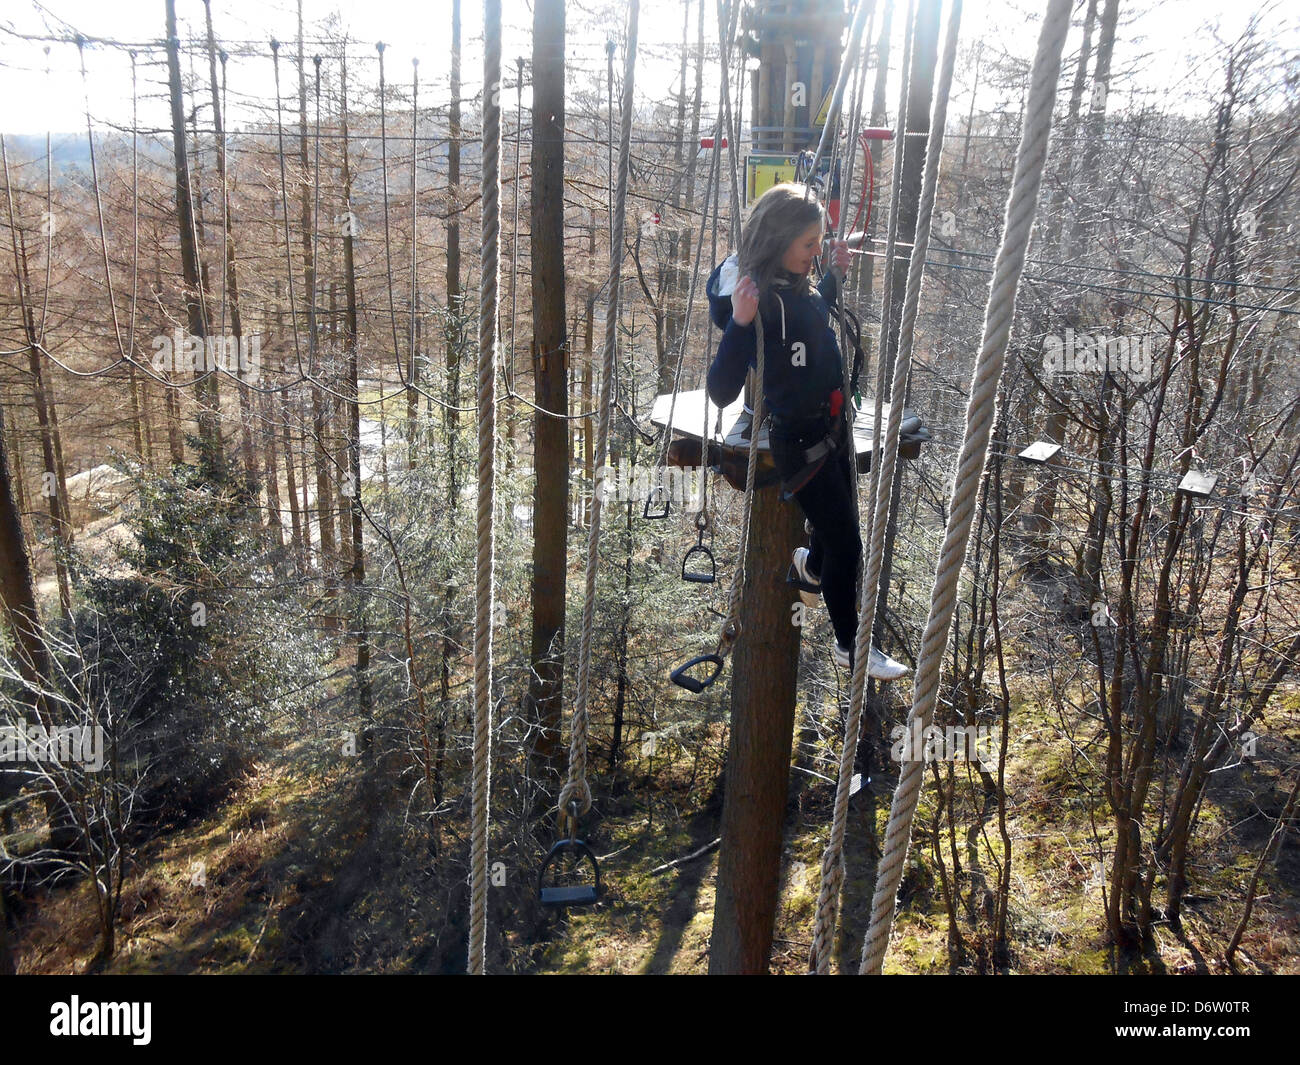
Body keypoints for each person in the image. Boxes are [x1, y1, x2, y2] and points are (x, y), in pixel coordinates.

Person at [705, 182, 909, 682]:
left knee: (834, 538)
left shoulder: (797, 288)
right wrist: (739, 321)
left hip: (832, 428)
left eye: (819, 243)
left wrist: (834, 272)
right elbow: (720, 390)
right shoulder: (760, 304)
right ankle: (849, 645)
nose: (816, 252)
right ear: (778, 243)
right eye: (809, 245)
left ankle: (810, 566)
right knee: (847, 544)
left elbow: (814, 314)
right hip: (800, 445)